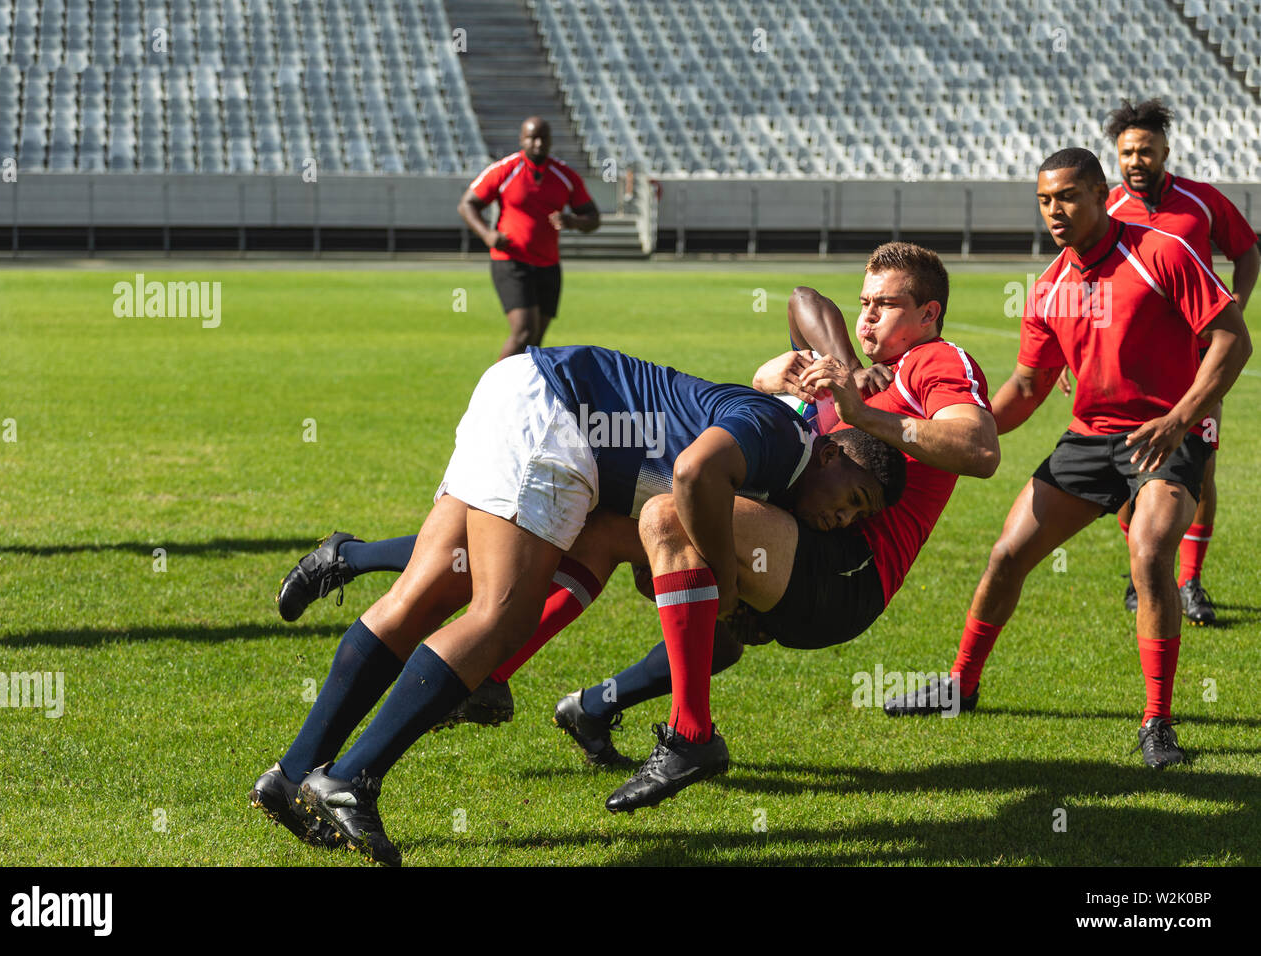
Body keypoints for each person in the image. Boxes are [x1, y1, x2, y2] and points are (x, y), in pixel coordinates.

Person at [270, 244, 1002, 803]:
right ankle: (547, 691)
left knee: (669, 518)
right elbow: (804, 300)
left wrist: (865, 407)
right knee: (606, 535)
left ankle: (689, 737)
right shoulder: (849, 378)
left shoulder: (936, 360)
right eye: (866, 302)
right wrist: (822, 368)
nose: (870, 317)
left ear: (930, 313)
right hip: (780, 524)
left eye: (887, 306)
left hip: (850, 568)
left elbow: (977, 446)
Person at [251, 343, 903, 865]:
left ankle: (295, 771)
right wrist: (727, 583)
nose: (842, 518)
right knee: (500, 614)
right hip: (556, 416)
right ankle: (351, 782)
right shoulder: (786, 440)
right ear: (829, 450)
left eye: (855, 518)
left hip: (526, 387)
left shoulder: (777, 444)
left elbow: (627, 524)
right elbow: (695, 472)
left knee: (427, 591)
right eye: (853, 497)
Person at [886, 149, 1251, 772]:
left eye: (1069, 197)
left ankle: (1157, 721)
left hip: (1166, 434)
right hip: (1090, 441)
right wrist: (959, 434)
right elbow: (1028, 386)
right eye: (1045, 200)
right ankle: (960, 686)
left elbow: (1232, 340)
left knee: (1150, 552)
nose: (1056, 211)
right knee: (1006, 554)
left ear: (1101, 195)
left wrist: (1181, 418)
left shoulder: (1160, 252)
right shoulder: (1050, 286)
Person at [1056, 99, 1258, 624]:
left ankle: (1188, 579)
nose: (1135, 160)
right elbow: (1074, 282)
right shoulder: (1107, 210)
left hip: (1199, 360)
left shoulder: (1202, 201)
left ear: (1165, 151)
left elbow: (1247, 250)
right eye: (1126, 153)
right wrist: (1064, 350)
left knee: (1200, 470)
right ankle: (1145, 568)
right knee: (1131, 469)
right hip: (1130, 368)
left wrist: (1236, 304)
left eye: (1145, 151)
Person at [458, 116, 600, 360]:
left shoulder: (565, 176)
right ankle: (493, 391)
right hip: (511, 260)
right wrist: (487, 234)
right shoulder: (505, 170)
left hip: (548, 264)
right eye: (532, 137)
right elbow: (467, 205)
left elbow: (593, 217)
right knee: (524, 331)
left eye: (543, 138)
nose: (537, 143)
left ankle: (522, 393)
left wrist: (573, 221)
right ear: (521, 139)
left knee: (535, 341)